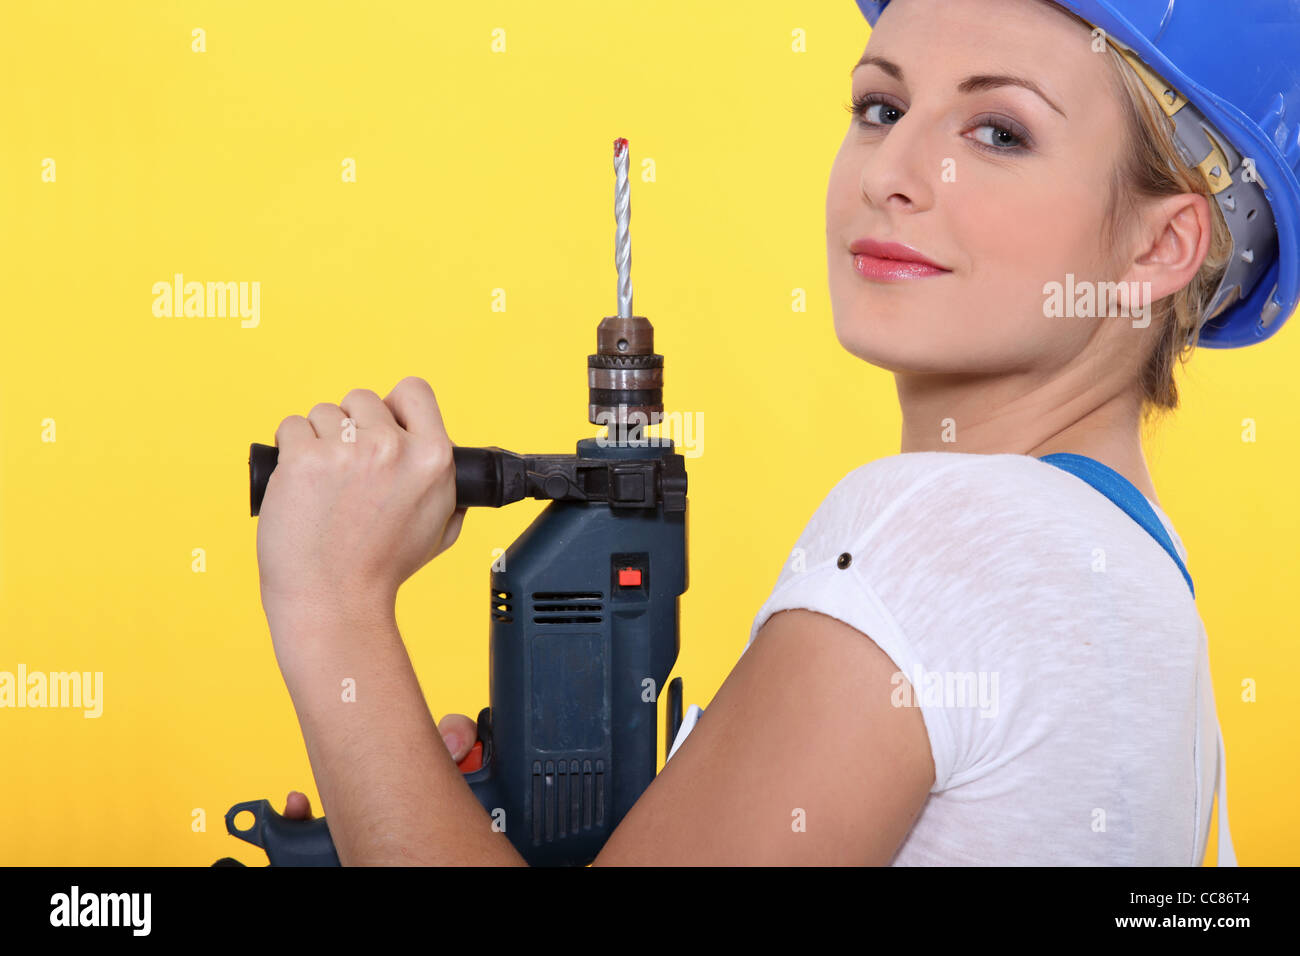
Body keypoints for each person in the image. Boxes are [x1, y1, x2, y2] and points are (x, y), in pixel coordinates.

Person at [260, 0, 1298, 864]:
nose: (891, 168)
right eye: (881, 105)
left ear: (1159, 245)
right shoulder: (1135, 572)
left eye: (997, 131)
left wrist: (332, 609)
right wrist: (400, 804)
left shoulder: (945, 534)